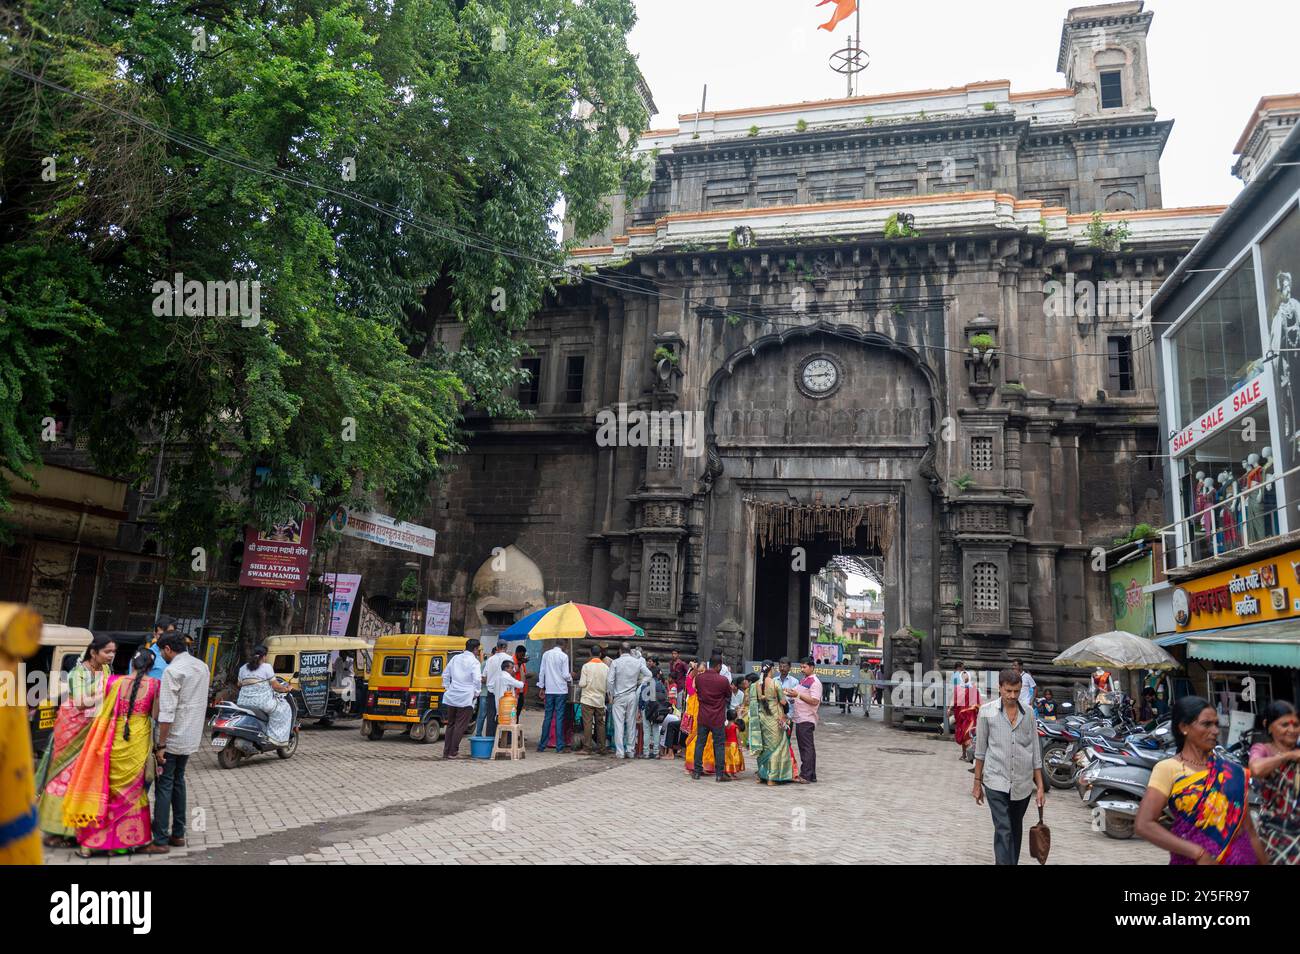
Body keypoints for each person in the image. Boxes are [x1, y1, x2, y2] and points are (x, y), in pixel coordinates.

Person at [1136, 695, 1267, 865]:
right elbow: (1144, 824)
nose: (1215, 731)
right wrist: (1197, 853)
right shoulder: (1168, 769)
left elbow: (1248, 830)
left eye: (1216, 724)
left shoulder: (1232, 772)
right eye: (1207, 724)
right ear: (1184, 727)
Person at [63, 648, 160, 857]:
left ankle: (89, 844)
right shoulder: (154, 685)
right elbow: (155, 714)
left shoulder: (112, 682)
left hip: (112, 740)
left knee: (105, 791)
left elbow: (88, 704)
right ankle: (118, 845)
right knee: (130, 794)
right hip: (136, 742)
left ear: (132, 664)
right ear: (151, 668)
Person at [34, 634, 115, 846]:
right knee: (65, 775)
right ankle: (56, 828)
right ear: (93, 652)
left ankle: (76, 828)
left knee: (84, 776)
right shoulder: (78, 673)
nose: (111, 656)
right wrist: (109, 693)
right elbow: (79, 703)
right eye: (107, 652)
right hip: (73, 728)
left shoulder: (106, 670)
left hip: (94, 727)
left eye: (113, 652)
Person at [141, 632, 210, 854]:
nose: (162, 655)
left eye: (162, 651)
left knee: (164, 785)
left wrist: (161, 745)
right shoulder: (202, 666)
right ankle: (178, 834)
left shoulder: (173, 671)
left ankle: (160, 839)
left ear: (169, 648)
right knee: (178, 781)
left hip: (172, 738)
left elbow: (167, 713)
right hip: (190, 737)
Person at [972, 668, 1045, 865]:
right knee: (1003, 828)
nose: (1012, 696)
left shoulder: (1028, 713)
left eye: (1016, 691)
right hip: (995, 780)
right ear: (1000, 688)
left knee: (1015, 827)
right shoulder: (986, 712)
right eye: (1008, 691)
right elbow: (980, 751)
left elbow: (1035, 752)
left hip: (1022, 783)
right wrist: (977, 783)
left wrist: (1040, 787)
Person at [1248, 700, 1300, 865]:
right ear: (1268, 725)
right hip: (1276, 832)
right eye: (1284, 724)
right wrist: (1286, 756)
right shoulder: (1262, 749)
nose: (1292, 730)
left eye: (1296, 725)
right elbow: (1256, 769)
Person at [747, 661, 795, 784]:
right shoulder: (775, 683)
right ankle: (772, 778)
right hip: (775, 719)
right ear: (771, 669)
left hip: (761, 720)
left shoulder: (755, 685)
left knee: (764, 747)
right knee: (776, 747)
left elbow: (752, 704)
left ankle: (762, 775)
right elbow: (783, 702)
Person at [236, 645, 294, 746]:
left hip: (243, 702)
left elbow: (239, 684)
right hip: (262, 703)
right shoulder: (267, 667)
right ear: (263, 656)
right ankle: (273, 738)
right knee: (283, 709)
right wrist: (286, 689)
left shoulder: (243, 668)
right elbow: (276, 686)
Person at [690, 653, 732, 783]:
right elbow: (728, 695)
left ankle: (697, 771)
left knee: (700, 743)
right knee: (719, 745)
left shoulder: (699, 678)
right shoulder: (723, 680)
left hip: (703, 716)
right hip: (717, 717)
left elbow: (697, 691)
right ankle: (720, 774)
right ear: (719, 665)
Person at [606, 642, 650, 759]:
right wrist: (640, 683)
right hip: (632, 695)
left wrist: (611, 694)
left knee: (618, 724)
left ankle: (620, 752)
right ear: (630, 651)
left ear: (620, 651)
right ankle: (630, 750)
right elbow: (649, 674)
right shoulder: (637, 662)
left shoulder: (615, 663)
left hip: (618, 696)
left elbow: (610, 681)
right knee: (631, 723)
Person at [441, 638, 481, 760]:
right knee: (460, 725)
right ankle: (453, 752)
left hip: (452, 695)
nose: (478, 652)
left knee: (451, 724)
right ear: (475, 649)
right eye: (478, 650)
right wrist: (477, 692)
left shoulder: (455, 658)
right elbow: (477, 679)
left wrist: (448, 688)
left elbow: (445, 674)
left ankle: (446, 751)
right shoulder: (474, 662)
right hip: (466, 696)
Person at [787, 657, 822, 784]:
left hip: (807, 718)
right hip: (800, 717)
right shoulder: (804, 680)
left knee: (806, 747)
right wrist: (793, 695)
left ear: (812, 667)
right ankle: (810, 774)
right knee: (806, 747)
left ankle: (806, 774)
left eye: (805, 667)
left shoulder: (815, 682)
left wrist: (798, 695)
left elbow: (814, 700)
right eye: (801, 667)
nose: (802, 669)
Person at [536, 640, 572, 753]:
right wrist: (570, 678)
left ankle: (542, 745)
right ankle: (559, 746)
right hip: (561, 690)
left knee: (547, 717)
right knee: (559, 717)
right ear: (564, 645)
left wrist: (541, 687)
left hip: (549, 690)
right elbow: (565, 674)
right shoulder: (564, 656)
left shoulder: (546, 654)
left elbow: (542, 672)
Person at [577, 646, 609, 755]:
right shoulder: (605, 668)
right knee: (600, 724)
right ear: (600, 654)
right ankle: (602, 748)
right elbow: (608, 685)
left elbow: (582, 683)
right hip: (600, 700)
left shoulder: (586, 666)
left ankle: (587, 748)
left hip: (587, 699)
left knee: (588, 723)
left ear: (590, 654)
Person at [478, 640, 512, 739]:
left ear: (497, 648)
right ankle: (505, 740)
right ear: (506, 647)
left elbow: (483, 677)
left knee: (491, 716)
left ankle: (490, 739)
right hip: (505, 693)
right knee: (505, 716)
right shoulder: (509, 658)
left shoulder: (490, 659)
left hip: (491, 692)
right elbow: (512, 674)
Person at [950, 667, 981, 761]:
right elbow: (954, 700)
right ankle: (964, 754)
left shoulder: (973, 689)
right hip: (960, 716)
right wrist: (949, 708)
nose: (964, 677)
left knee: (969, 734)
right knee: (962, 734)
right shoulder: (958, 688)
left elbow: (978, 702)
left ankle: (970, 755)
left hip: (970, 717)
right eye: (962, 676)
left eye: (966, 675)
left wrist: (975, 708)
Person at [723, 710, 746, 778]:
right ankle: (732, 773)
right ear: (735, 717)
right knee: (734, 759)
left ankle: (727, 771)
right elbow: (738, 737)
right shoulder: (735, 727)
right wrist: (740, 746)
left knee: (728, 759)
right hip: (733, 745)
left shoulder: (726, 726)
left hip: (726, 745)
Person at [513, 646, 529, 714]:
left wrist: (527, 676)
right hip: (515, 690)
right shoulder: (512, 660)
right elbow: (514, 671)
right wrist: (520, 663)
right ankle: (514, 722)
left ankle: (516, 722)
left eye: (524, 655)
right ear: (517, 653)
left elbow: (522, 674)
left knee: (518, 710)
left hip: (521, 690)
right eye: (521, 655)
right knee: (513, 710)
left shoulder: (521, 662)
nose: (523, 656)